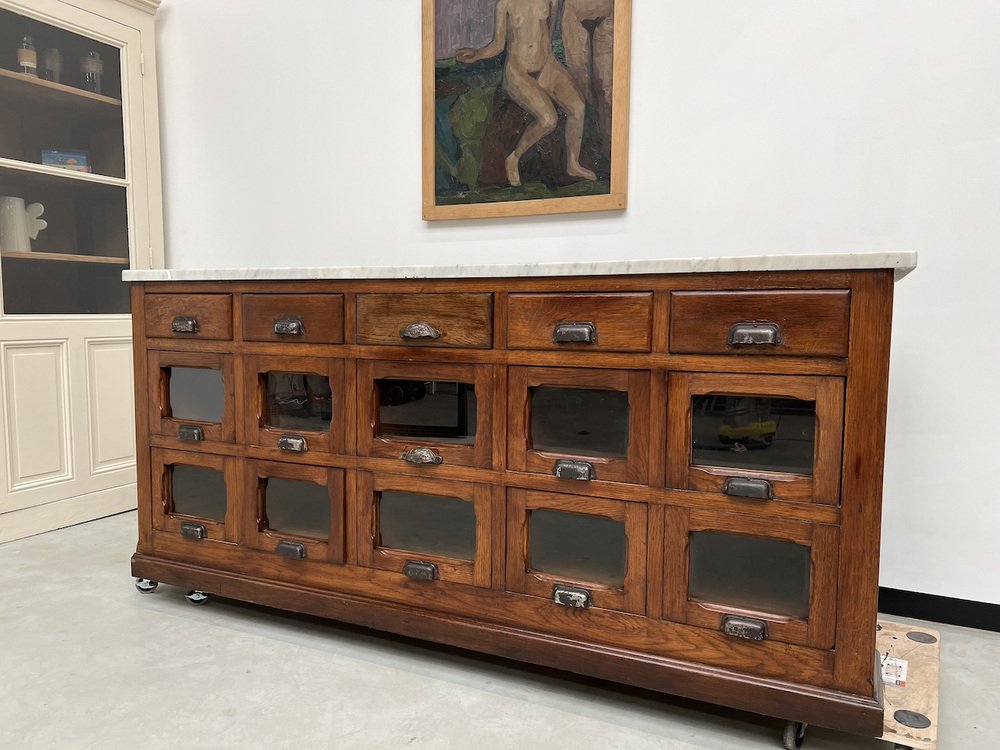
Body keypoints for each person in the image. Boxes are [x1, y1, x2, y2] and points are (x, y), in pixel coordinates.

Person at [456, 0, 596, 187]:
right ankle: (514, 157)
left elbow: (548, 36)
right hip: (518, 72)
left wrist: (547, 62)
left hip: (546, 65)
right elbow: (498, 45)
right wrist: (477, 55)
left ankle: (573, 164)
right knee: (548, 120)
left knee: (578, 106)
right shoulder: (505, 5)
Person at [561, 0, 614, 149]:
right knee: (580, 88)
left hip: (608, 12)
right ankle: (591, 144)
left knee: (606, 89)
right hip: (574, 13)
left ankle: (610, 147)